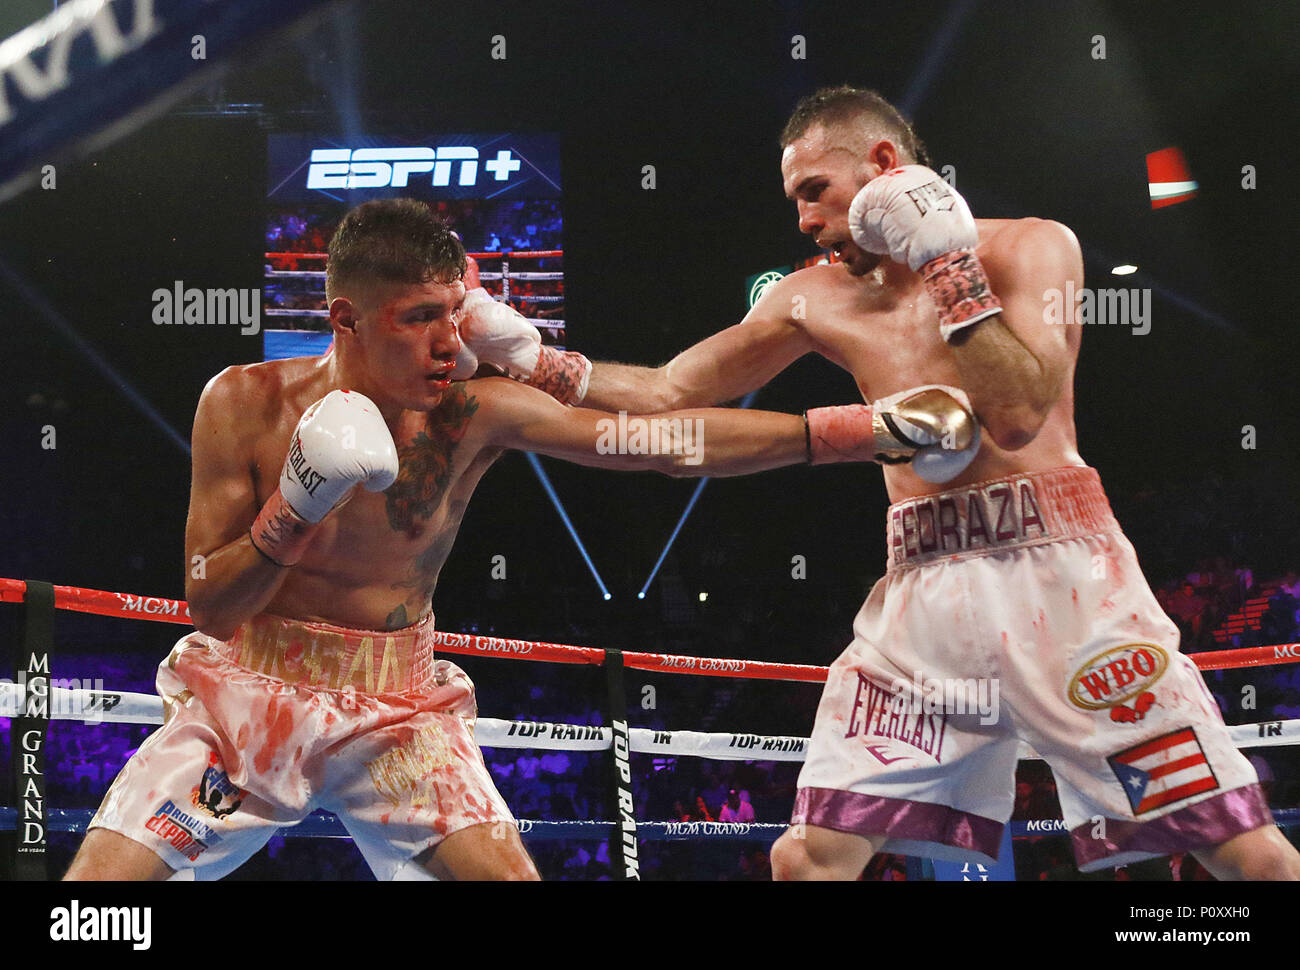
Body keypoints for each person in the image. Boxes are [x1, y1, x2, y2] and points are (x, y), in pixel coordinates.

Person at [64, 197, 974, 882]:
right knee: (96, 904)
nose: (446, 342)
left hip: (399, 711)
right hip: (245, 690)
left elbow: (663, 444)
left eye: (453, 314)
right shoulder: (244, 403)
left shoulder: (474, 412)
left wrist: (860, 429)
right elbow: (212, 607)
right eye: (418, 317)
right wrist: (293, 511)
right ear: (344, 318)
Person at [524, 86, 1297, 879]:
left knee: (1244, 852)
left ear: (884, 165)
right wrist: (531, 358)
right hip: (922, 595)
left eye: (812, 192)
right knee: (808, 857)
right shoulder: (809, 296)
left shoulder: (1031, 247)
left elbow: (1020, 412)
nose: (803, 220)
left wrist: (947, 263)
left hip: (1067, 578)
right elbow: (669, 393)